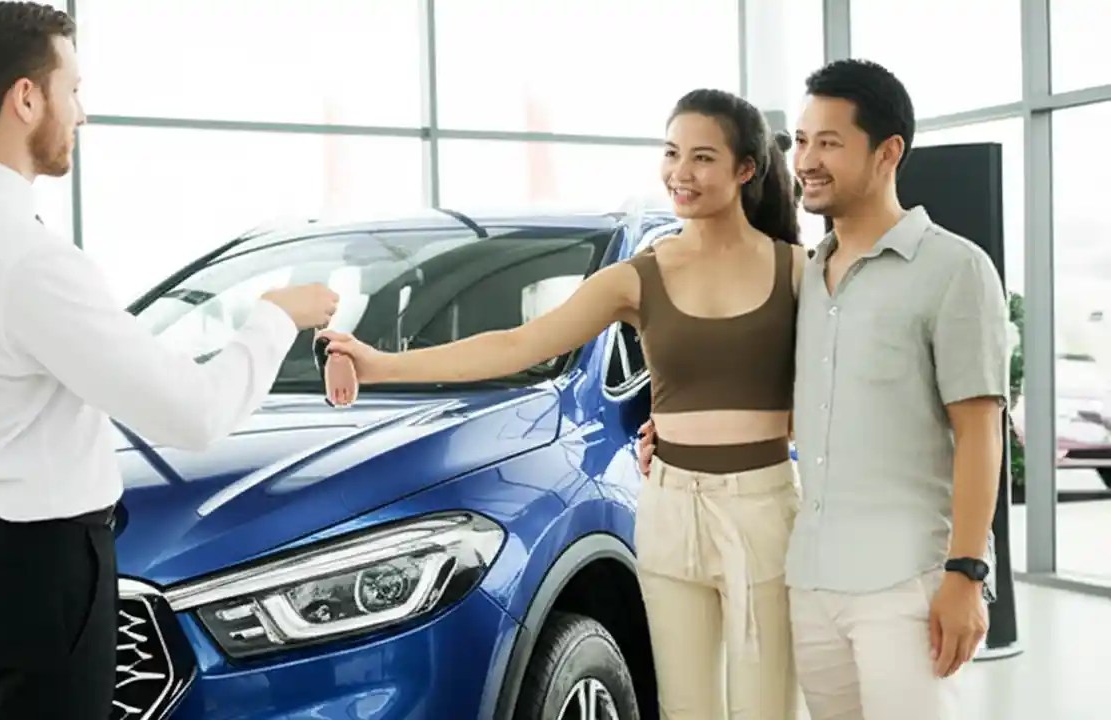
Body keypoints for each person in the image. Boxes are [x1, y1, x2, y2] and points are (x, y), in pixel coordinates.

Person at [0, 2, 338, 717]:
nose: (82, 114)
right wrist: (275, 317)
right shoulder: (27, 257)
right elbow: (194, 414)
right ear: (26, 97)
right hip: (39, 573)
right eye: (73, 90)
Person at [320, 88, 806, 719]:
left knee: (769, 708)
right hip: (672, 506)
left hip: (765, 501)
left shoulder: (797, 271)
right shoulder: (639, 275)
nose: (680, 173)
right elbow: (517, 345)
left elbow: (832, 394)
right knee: (688, 709)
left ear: (746, 169)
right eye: (671, 152)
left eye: (702, 157)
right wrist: (379, 364)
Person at [638, 58, 1009, 720]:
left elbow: (980, 430)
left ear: (888, 152)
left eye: (829, 143)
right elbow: (798, 405)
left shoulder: (954, 268)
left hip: (906, 583)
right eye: (803, 141)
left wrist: (967, 574)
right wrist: (677, 432)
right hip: (807, 580)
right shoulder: (807, 277)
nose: (806, 159)